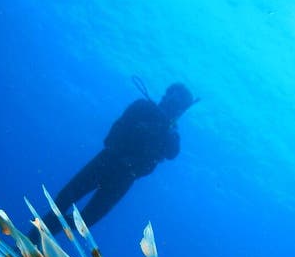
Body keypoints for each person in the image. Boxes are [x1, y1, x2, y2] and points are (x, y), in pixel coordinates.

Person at [37, 78, 197, 235]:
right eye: (172, 100)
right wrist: (142, 130)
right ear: (165, 96)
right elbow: (111, 137)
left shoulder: (171, 135)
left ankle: (43, 237)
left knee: (85, 222)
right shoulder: (143, 107)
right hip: (106, 162)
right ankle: (32, 240)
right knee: (62, 201)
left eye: (179, 106)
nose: (173, 106)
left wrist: (164, 129)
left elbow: (172, 153)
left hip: (124, 178)